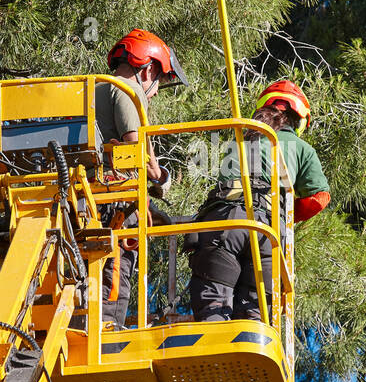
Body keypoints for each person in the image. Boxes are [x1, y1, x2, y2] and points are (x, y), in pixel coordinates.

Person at [187, 79, 329, 322]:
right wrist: (288, 216)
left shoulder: (240, 139)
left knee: (214, 309)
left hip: (223, 225)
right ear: (299, 120)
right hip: (268, 234)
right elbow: (319, 198)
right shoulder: (301, 148)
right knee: (254, 317)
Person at [93, 29, 189, 328]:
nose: (157, 91)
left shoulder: (92, 87)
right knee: (114, 272)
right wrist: (162, 179)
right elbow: (138, 152)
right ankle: (108, 333)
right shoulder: (127, 90)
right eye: (159, 81)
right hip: (114, 204)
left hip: (85, 199)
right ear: (147, 69)